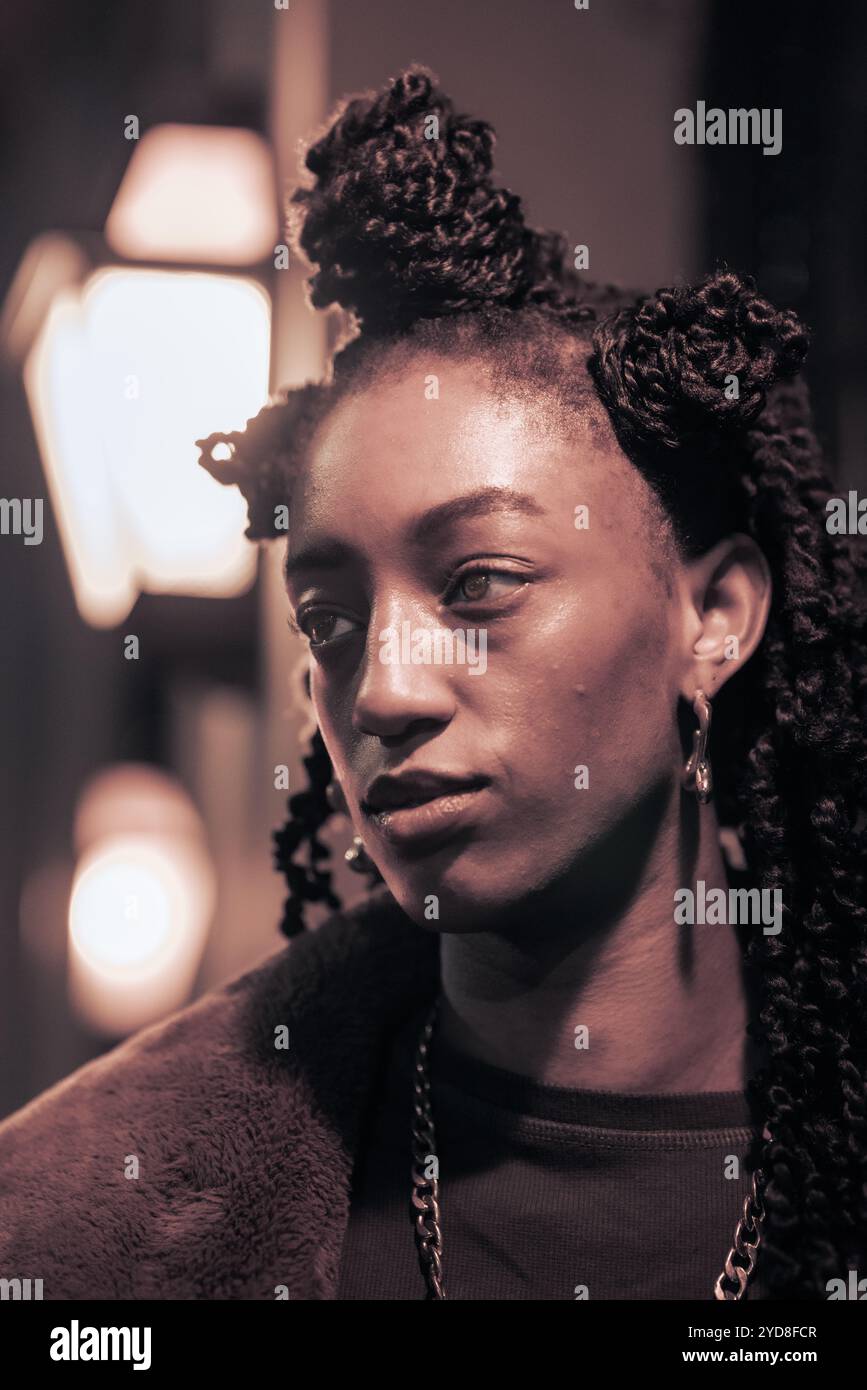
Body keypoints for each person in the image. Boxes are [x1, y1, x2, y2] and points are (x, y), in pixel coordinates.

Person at [1, 65, 865, 1302]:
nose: (383, 693)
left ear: (712, 616)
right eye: (331, 618)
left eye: (480, 584)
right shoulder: (86, 1241)